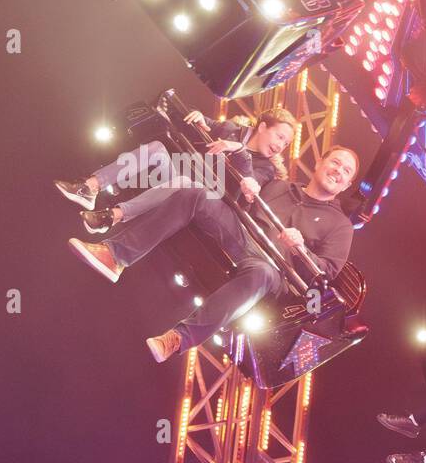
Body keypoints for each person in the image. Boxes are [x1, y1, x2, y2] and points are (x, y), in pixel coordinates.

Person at [66, 146, 358, 362]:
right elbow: (240, 194)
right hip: (244, 235)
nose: (338, 171)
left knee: (261, 273)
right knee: (196, 192)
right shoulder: (281, 186)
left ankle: (178, 338)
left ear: (346, 185)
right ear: (320, 162)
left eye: (346, 171)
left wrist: (300, 248)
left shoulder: (341, 225)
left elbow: (326, 274)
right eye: (335, 162)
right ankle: (115, 255)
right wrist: (246, 181)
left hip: (273, 267)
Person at [56, 108, 296, 234]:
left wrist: (238, 149)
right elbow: (209, 124)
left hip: (206, 200)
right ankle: (90, 187)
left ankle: (111, 217)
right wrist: (200, 116)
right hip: (184, 176)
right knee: (158, 148)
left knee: (182, 180)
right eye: (280, 136)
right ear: (263, 127)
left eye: (285, 144)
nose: (280, 145)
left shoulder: (267, 169)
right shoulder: (231, 128)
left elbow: (250, 179)